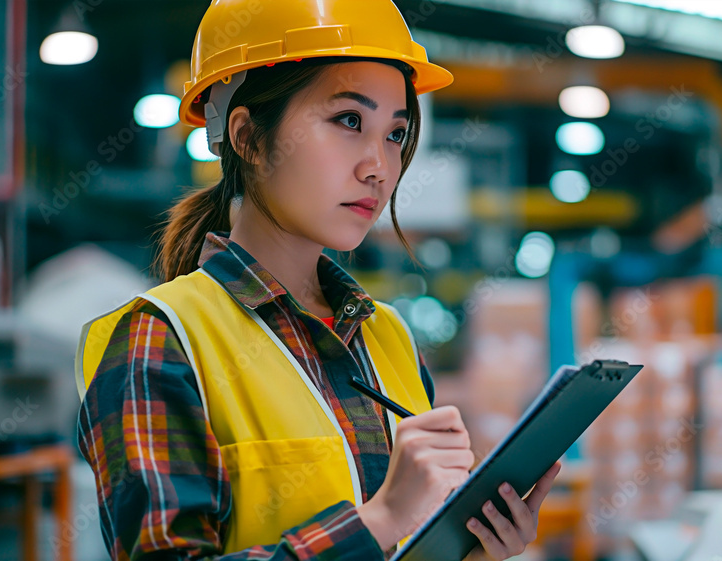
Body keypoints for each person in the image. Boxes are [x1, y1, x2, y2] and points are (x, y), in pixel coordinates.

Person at [74, 1, 561, 560]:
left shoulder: (389, 339)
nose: (379, 167)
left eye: (395, 134)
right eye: (349, 121)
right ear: (248, 137)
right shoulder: (159, 339)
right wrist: (380, 519)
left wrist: (470, 550)